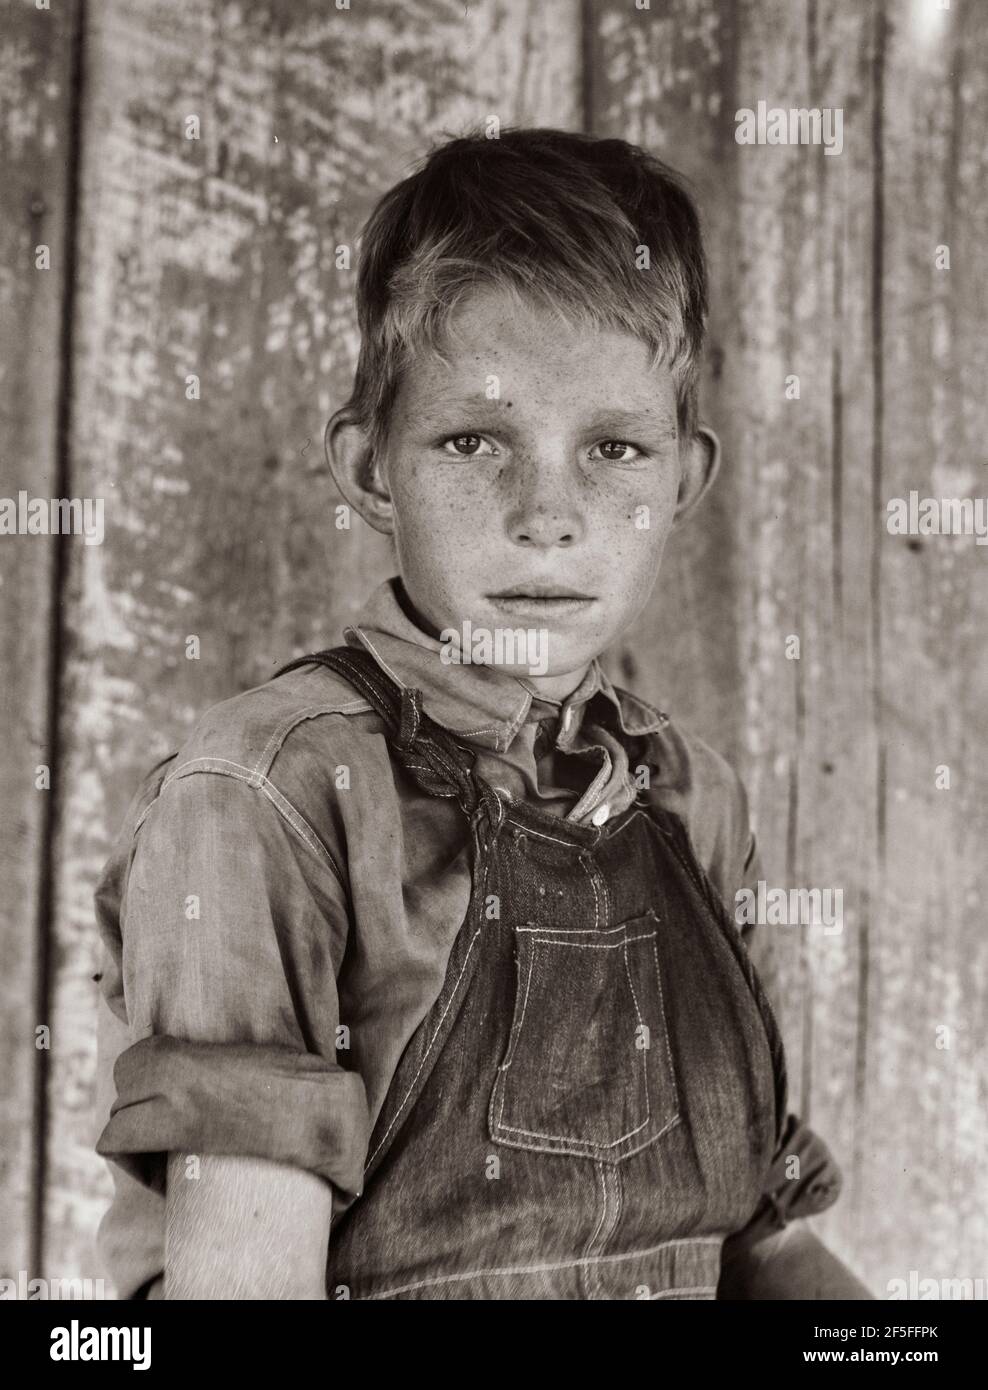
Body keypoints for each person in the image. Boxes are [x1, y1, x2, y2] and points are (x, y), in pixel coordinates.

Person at [93, 127, 873, 1300]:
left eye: (612, 447)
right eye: (473, 441)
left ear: (682, 482)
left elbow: (762, 1247)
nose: (545, 516)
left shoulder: (692, 799)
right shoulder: (265, 796)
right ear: (369, 471)